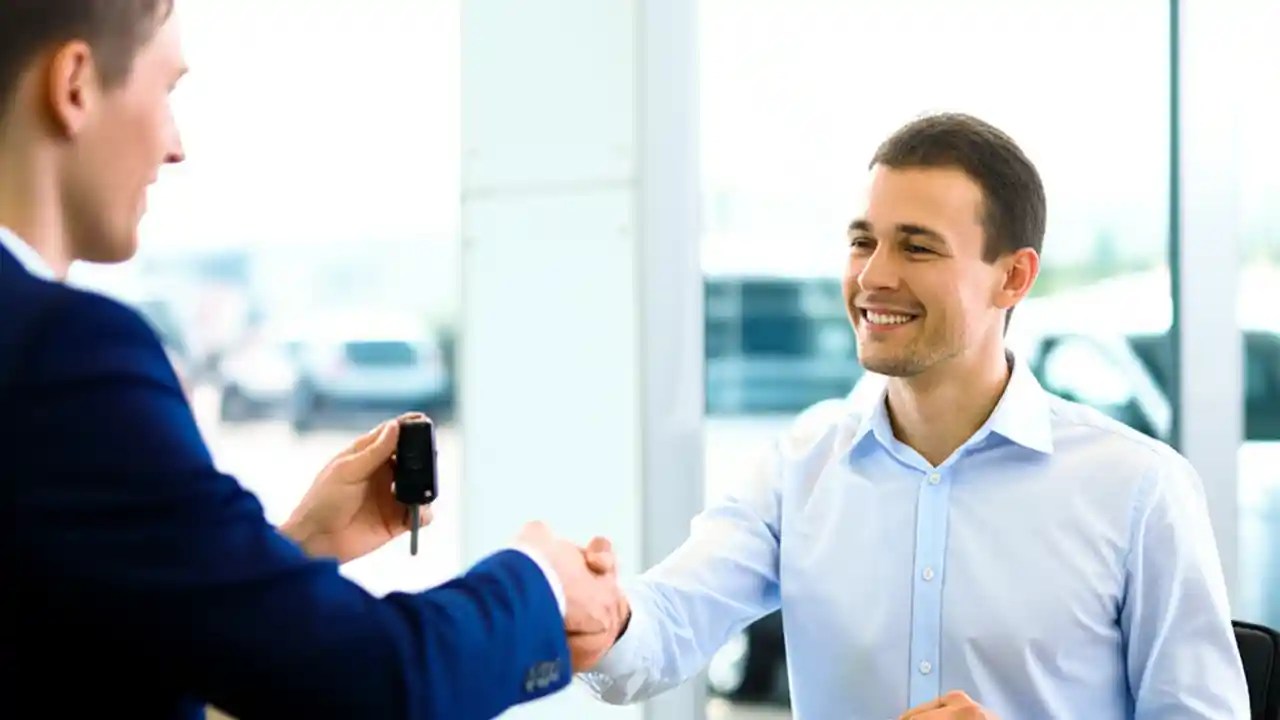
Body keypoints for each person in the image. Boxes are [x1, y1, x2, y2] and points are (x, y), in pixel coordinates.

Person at [1, 2, 626, 718]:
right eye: (166, 91)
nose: (177, 147)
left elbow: (68, 636)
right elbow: (366, 682)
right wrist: (539, 587)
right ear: (75, 84)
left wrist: (296, 550)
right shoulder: (66, 355)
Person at [573, 112, 1251, 719]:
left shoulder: (1138, 488)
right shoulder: (801, 465)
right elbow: (670, 621)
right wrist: (606, 618)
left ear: (1012, 277)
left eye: (917, 247)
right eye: (864, 241)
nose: (873, 277)